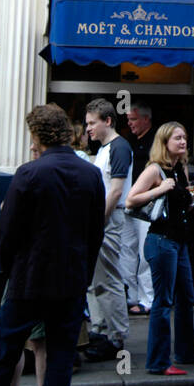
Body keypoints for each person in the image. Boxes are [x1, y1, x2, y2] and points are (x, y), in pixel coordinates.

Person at [0, 105, 105, 386]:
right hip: (71, 278)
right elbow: (94, 233)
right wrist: (83, 273)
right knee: (60, 359)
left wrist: (11, 271)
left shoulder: (29, 173)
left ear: (37, 135)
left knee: (4, 352)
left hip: (29, 278)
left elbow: (7, 233)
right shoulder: (91, 174)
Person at [125, 122, 194, 375]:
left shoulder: (180, 168)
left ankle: (186, 352)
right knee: (163, 301)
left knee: (187, 297)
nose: (183, 142)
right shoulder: (155, 170)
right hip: (161, 241)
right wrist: (159, 189)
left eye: (185, 137)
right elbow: (131, 199)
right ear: (165, 143)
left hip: (180, 242)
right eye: (178, 138)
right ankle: (158, 362)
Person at [83, 98, 133, 360]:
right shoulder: (105, 148)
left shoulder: (118, 148)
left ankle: (116, 337)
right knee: (95, 279)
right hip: (103, 219)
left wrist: (97, 221)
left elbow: (115, 190)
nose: (88, 128)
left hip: (109, 220)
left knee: (109, 278)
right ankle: (101, 329)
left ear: (108, 121)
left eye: (92, 123)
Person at [122, 102, 155, 317]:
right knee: (126, 250)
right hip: (128, 203)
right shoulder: (133, 142)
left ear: (145, 119)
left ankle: (147, 299)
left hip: (145, 205)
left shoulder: (154, 143)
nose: (130, 124)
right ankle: (130, 295)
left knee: (144, 254)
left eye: (133, 120)